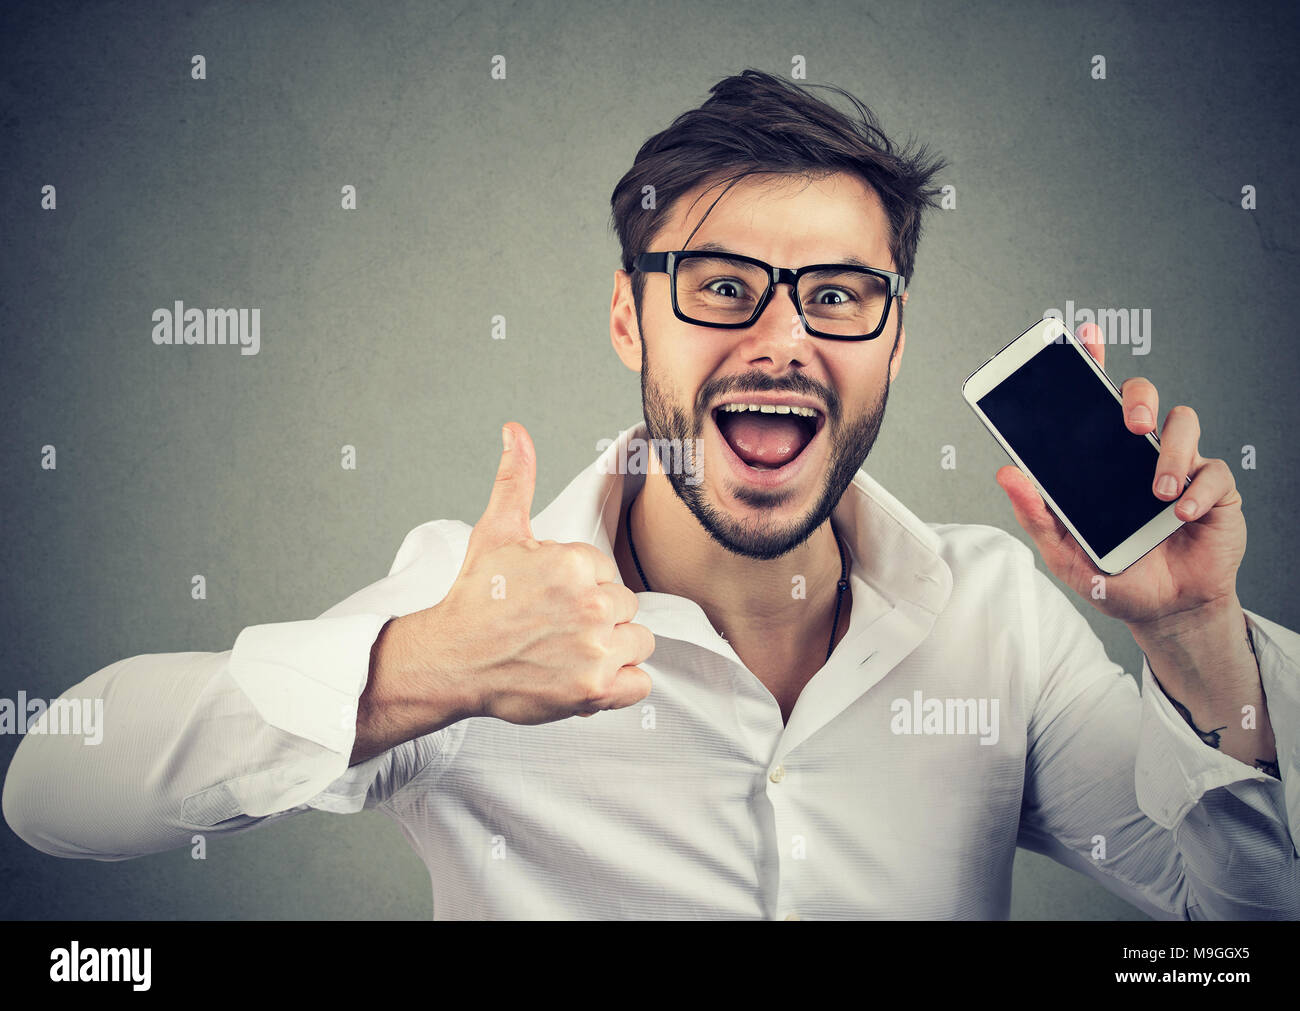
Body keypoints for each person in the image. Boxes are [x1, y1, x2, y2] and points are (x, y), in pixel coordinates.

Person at [4, 69, 1296, 920]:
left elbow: (1236, 918)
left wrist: (1194, 643)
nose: (783, 339)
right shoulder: (477, 612)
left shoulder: (994, 621)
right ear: (630, 319)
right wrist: (420, 672)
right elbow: (55, 786)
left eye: (838, 295)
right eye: (722, 285)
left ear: (894, 342)